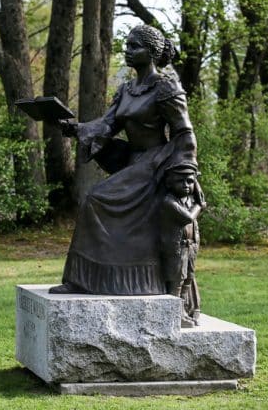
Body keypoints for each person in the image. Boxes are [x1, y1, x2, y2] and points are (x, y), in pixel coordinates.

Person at [51, 24, 198, 295]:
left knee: (94, 199)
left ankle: (92, 280)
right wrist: (75, 128)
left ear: (152, 52)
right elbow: (106, 125)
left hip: (155, 164)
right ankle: (86, 280)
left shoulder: (166, 88)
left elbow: (185, 133)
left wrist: (183, 173)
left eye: (134, 46)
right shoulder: (126, 89)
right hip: (133, 161)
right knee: (95, 202)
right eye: (127, 45)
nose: (127, 51)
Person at [160, 162, 204, 327]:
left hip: (191, 246)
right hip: (177, 248)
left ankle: (183, 310)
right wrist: (200, 205)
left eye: (190, 181)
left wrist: (197, 187)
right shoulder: (169, 202)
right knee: (177, 280)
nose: (186, 185)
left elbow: (197, 200)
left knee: (188, 278)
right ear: (170, 183)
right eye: (181, 181)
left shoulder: (189, 200)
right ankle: (174, 315)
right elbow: (188, 218)